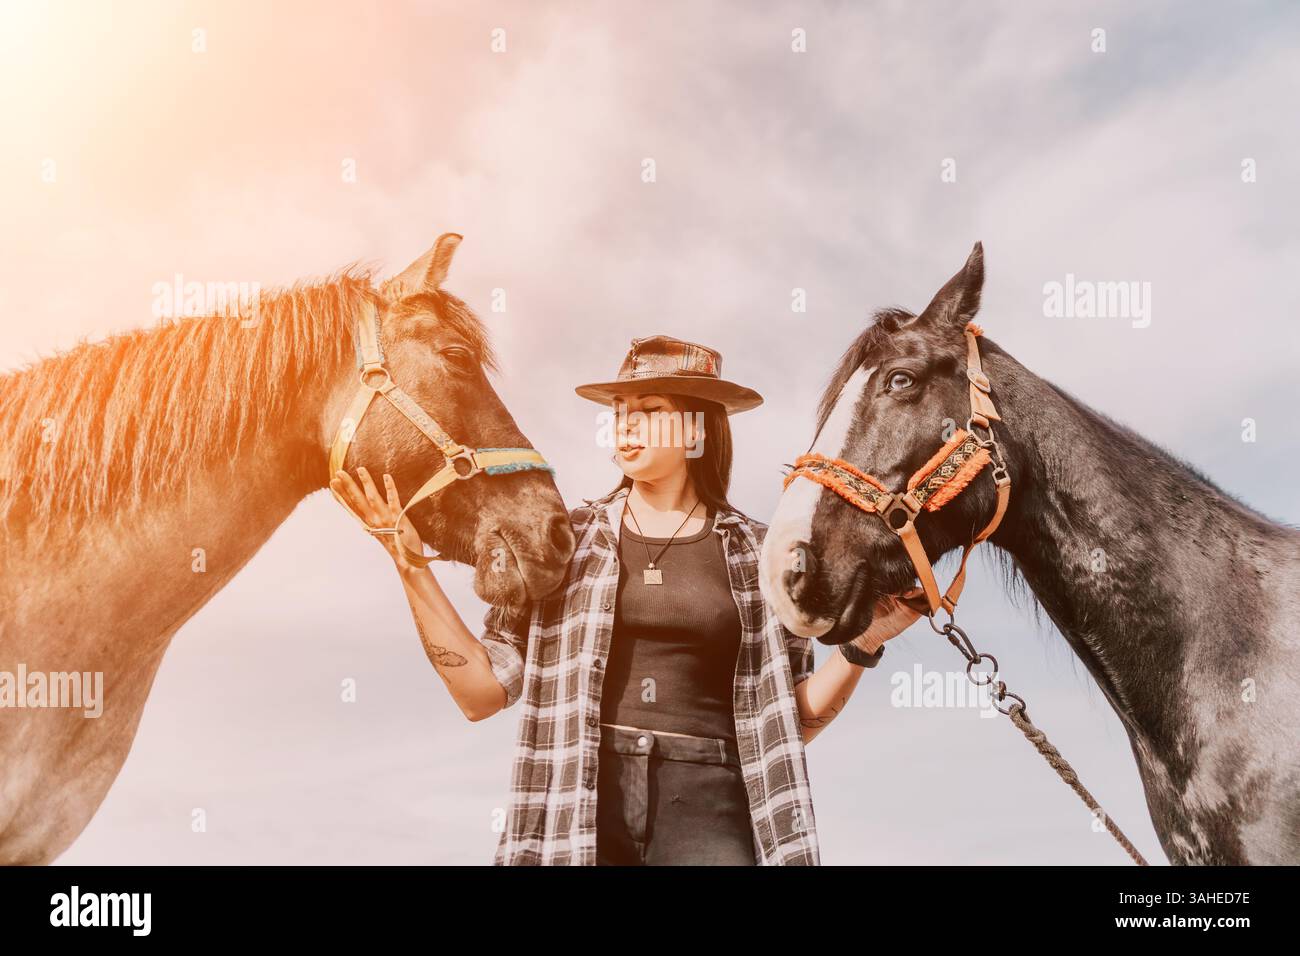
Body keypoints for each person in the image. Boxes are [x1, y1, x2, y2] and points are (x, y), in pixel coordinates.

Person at [330, 334, 918, 865]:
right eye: (619, 413)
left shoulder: (763, 558)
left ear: (696, 430)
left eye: (650, 412)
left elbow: (786, 725)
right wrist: (409, 566)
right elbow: (481, 694)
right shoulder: (561, 540)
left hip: (713, 815)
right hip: (581, 815)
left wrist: (861, 646)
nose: (626, 426)